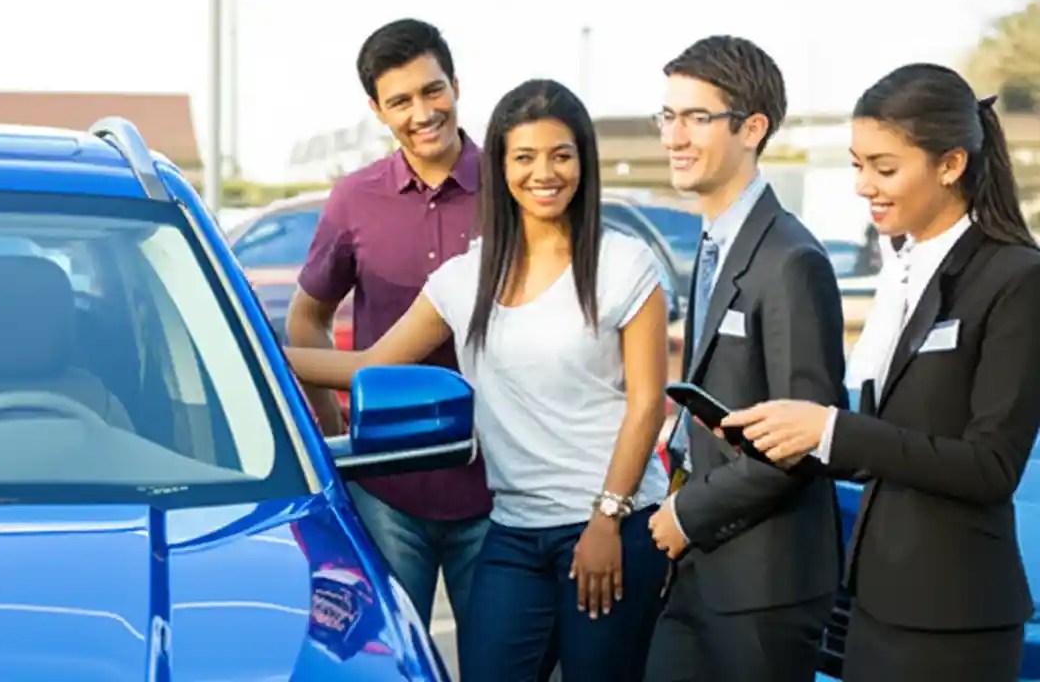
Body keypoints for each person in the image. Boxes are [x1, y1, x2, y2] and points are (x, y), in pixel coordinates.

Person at [286, 79, 671, 682]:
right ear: (501, 166)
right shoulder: (467, 278)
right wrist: (251, 354)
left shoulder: (623, 262)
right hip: (516, 532)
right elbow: (370, 365)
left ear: (583, 162)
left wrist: (607, 518)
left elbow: (647, 404)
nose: (544, 172)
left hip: (611, 526)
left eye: (561, 154)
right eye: (524, 157)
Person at [724, 63, 1040, 682]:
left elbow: (991, 466)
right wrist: (782, 433)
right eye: (856, 164)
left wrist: (833, 429)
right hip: (872, 604)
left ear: (950, 165)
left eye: (884, 167)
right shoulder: (904, 272)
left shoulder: (1016, 279)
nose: (864, 185)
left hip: (955, 617)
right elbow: (882, 446)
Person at [642, 35, 846, 682]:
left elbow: (802, 445)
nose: (674, 135)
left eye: (695, 117)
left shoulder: (791, 260)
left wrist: (685, 514)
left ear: (752, 128)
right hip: (701, 570)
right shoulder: (715, 243)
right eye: (667, 115)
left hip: (765, 588)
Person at [284, 18, 491, 654]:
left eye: (433, 92)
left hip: (498, 485)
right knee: (387, 662)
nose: (423, 113)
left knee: (510, 665)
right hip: (387, 494)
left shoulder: (514, 190)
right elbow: (306, 318)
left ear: (456, 85)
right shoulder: (354, 200)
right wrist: (337, 432)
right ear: (377, 110)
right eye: (400, 101)